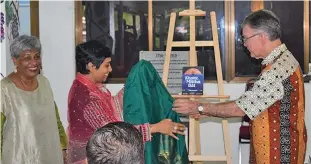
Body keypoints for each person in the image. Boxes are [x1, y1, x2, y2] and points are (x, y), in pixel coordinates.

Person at [173, 9, 307, 164]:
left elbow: (241, 108)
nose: (244, 44)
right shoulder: (284, 59)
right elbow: (255, 104)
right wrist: (210, 111)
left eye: (246, 38)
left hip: (279, 154)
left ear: (261, 37)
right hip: (282, 148)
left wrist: (200, 107)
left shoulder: (277, 70)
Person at [67, 40, 186, 164]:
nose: (110, 69)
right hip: (90, 159)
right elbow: (116, 136)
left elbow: (111, 106)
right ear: (91, 66)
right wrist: (156, 128)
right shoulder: (87, 98)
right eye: (107, 65)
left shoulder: (89, 86)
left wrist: (135, 87)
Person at [0, 35, 68, 163]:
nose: (34, 62)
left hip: (50, 156)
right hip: (19, 158)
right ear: (15, 61)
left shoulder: (44, 83)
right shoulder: (4, 89)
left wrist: (63, 147)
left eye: (37, 57)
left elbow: (55, 118)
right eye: (27, 58)